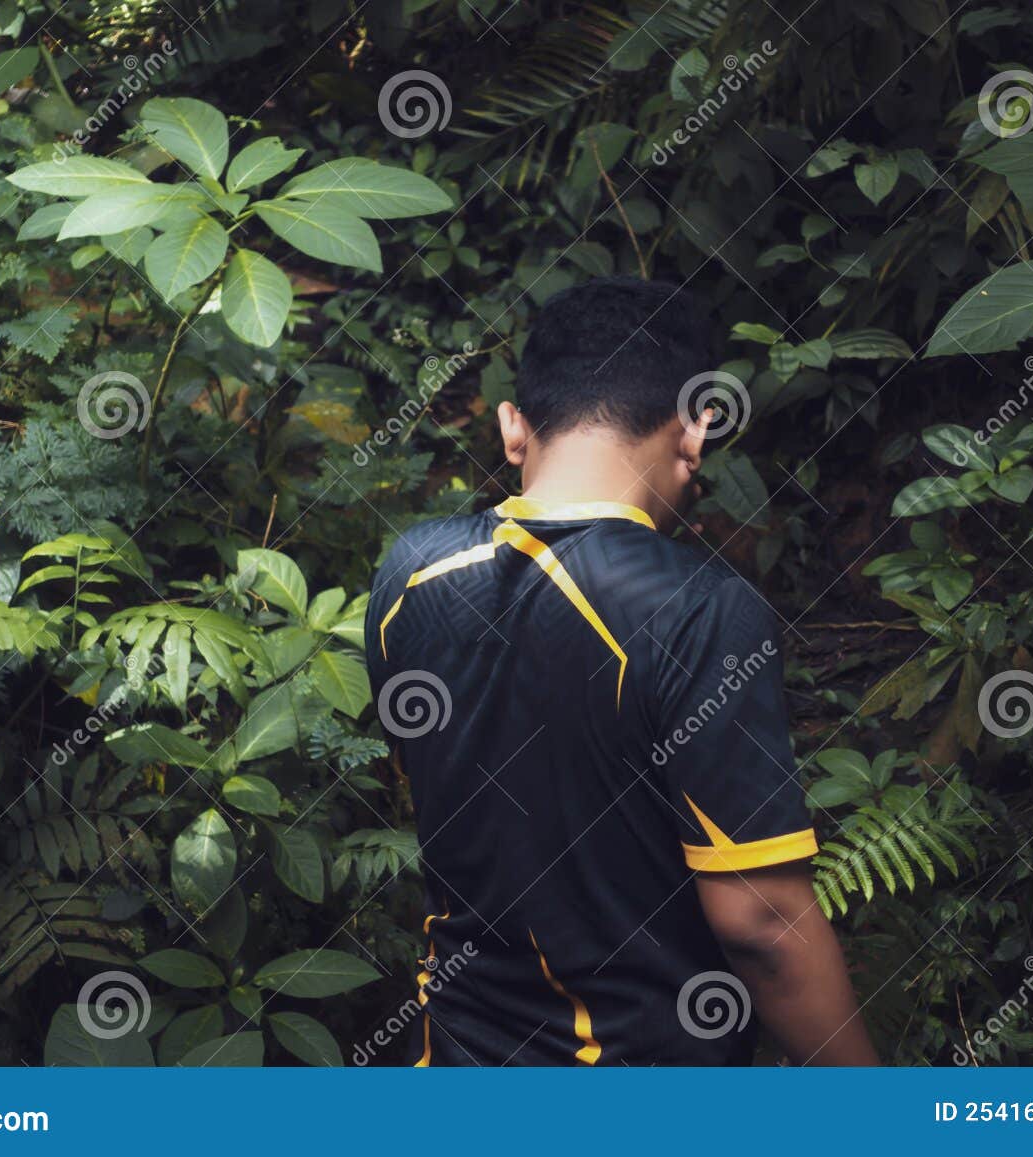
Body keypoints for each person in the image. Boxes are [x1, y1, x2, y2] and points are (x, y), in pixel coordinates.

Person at [364, 275, 877, 1066]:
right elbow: (763, 923)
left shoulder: (408, 574)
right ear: (696, 431)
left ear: (512, 427)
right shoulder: (701, 610)